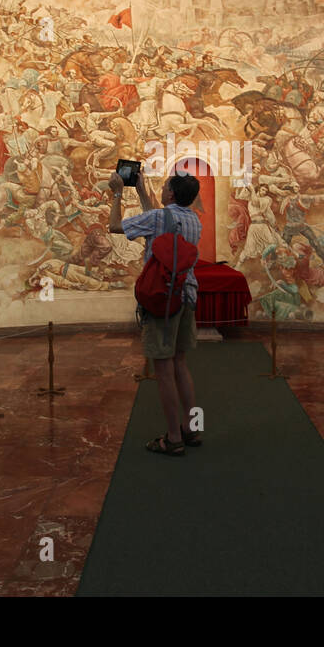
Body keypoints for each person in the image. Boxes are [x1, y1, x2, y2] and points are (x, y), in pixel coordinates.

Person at [108, 169, 203, 456]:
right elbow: (161, 220)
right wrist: (140, 190)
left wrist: (116, 193)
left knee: (163, 370)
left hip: (162, 301)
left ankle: (172, 438)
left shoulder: (159, 218)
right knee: (180, 365)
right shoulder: (193, 219)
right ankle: (190, 429)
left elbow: (115, 227)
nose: (161, 189)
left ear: (171, 193)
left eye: (164, 187)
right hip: (186, 295)